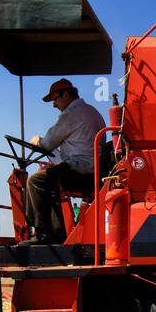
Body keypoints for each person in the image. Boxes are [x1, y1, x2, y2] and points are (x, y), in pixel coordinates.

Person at [22, 79, 106, 244]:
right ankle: (58, 232)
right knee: (50, 180)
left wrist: (38, 140)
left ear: (66, 94)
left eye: (55, 99)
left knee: (35, 181)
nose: (54, 105)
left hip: (79, 170)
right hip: (94, 170)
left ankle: (43, 234)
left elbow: (48, 143)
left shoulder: (70, 114)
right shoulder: (93, 112)